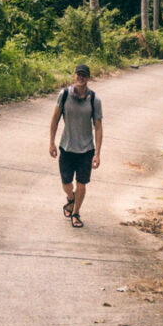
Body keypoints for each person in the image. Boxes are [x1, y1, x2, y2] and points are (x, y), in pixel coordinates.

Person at [48, 63, 103, 228]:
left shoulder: (94, 99)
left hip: (86, 149)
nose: (80, 77)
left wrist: (98, 153)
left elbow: (98, 127)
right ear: (74, 76)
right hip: (66, 147)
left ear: (88, 78)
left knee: (81, 183)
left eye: (84, 75)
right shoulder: (64, 95)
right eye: (78, 74)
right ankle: (71, 199)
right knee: (66, 183)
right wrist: (51, 142)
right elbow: (55, 119)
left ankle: (76, 212)